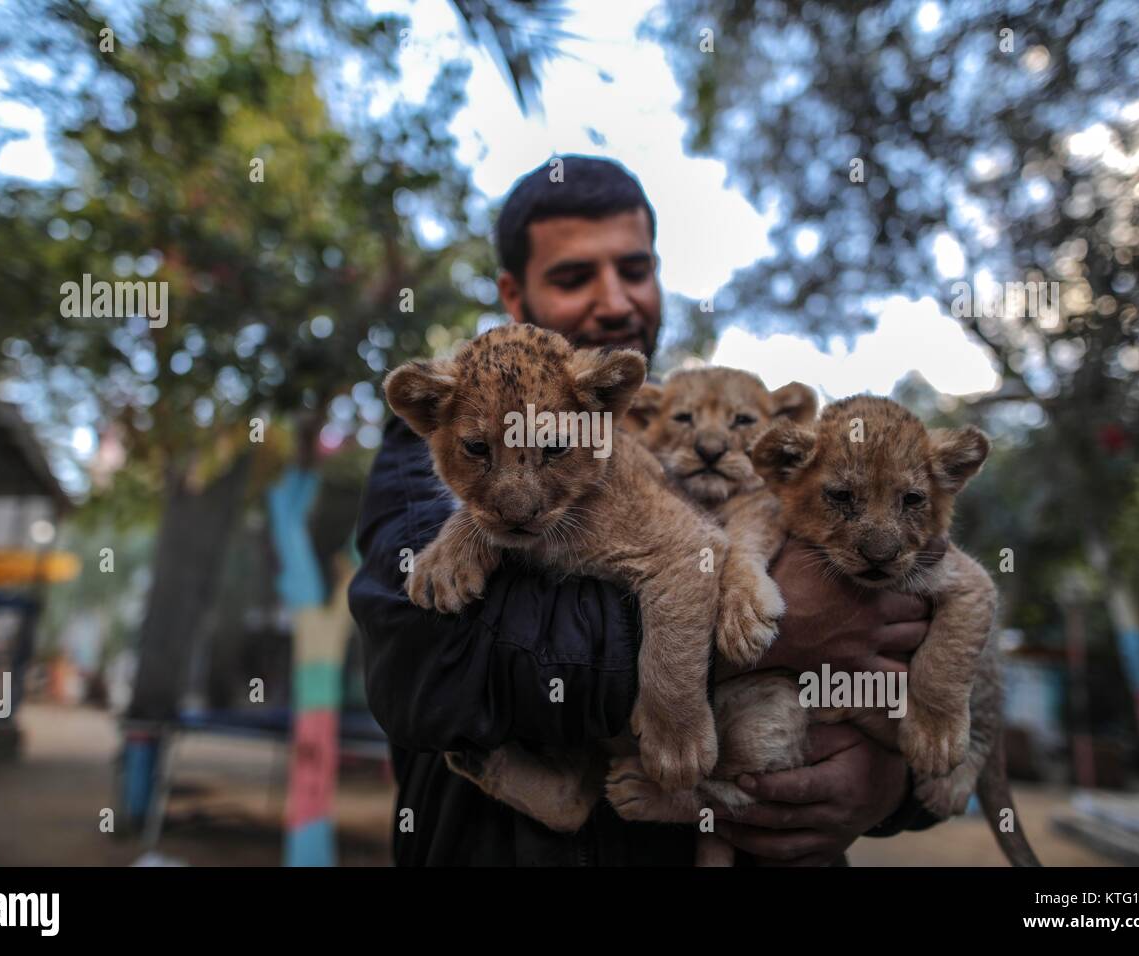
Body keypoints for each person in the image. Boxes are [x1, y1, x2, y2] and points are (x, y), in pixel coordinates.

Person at [348, 155, 942, 865]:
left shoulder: (694, 425)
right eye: (573, 277)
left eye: (634, 270)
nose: (616, 301)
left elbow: (903, 629)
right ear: (513, 293)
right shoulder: (442, 436)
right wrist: (781, 631)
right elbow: (428, 663)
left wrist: (891, 783)